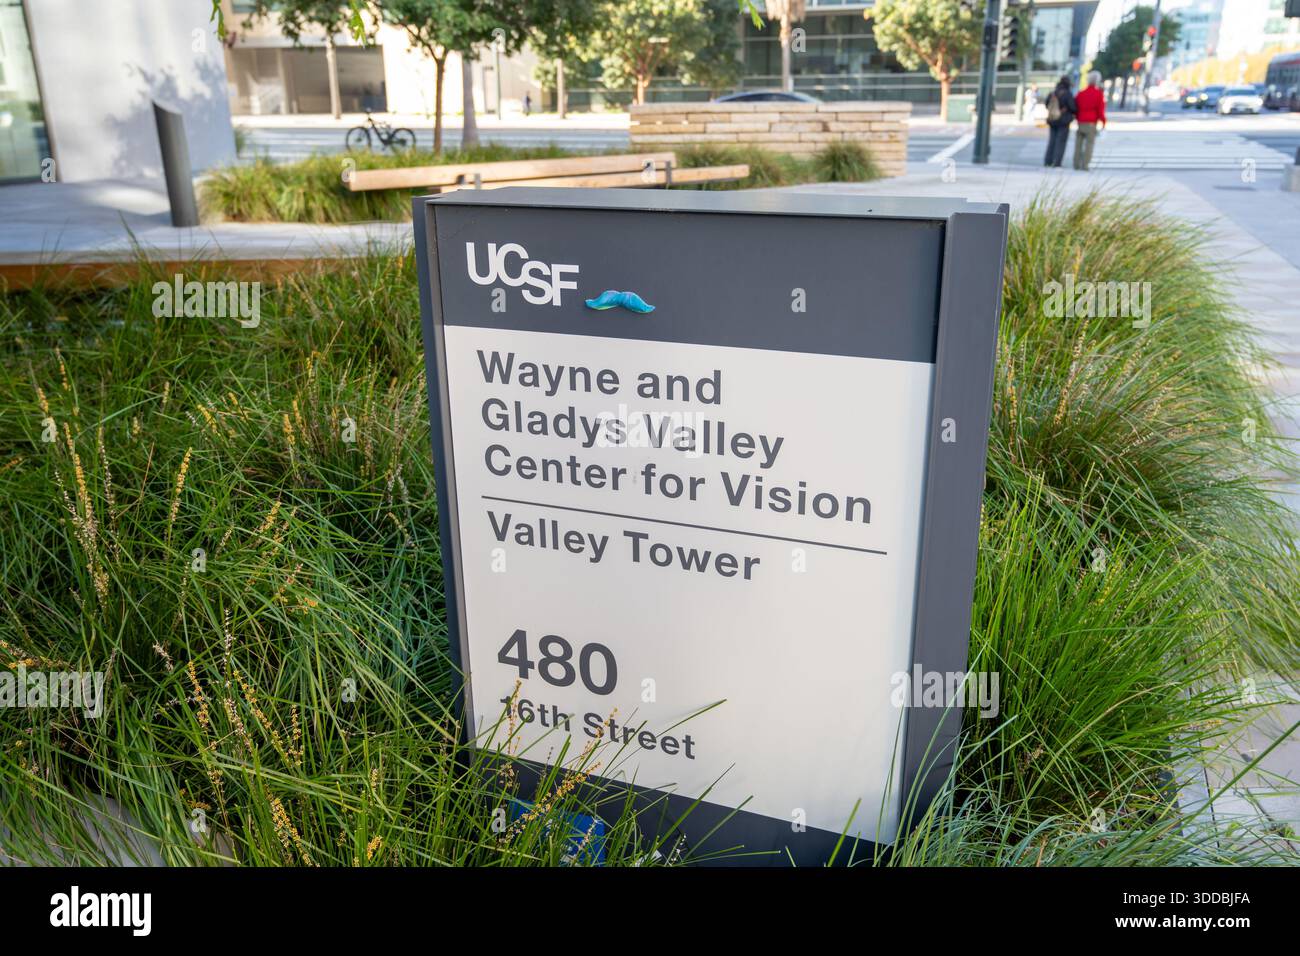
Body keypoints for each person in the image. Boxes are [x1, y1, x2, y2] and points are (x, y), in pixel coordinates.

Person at [1073, 71, 1106, 171]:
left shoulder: (1081, 93)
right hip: (1091, 122)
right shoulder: (1098, 94)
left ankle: (1076, 164)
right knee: (1089, 145)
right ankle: (1085, 165)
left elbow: (1076, 107)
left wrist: (1077, 118)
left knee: (1078, 144)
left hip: (1081, 121)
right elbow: (1100, 109)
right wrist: (1103, 121)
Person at [1044, 75, 1075, 168]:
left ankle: (1047, 161)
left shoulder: (1053, 93)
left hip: (1052, 120)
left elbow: (1047, 105)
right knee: (1061, 142)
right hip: (1063, 121)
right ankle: (1057, 162)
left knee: (1052, 141)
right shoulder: (1067, 94)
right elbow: (1073, 107)